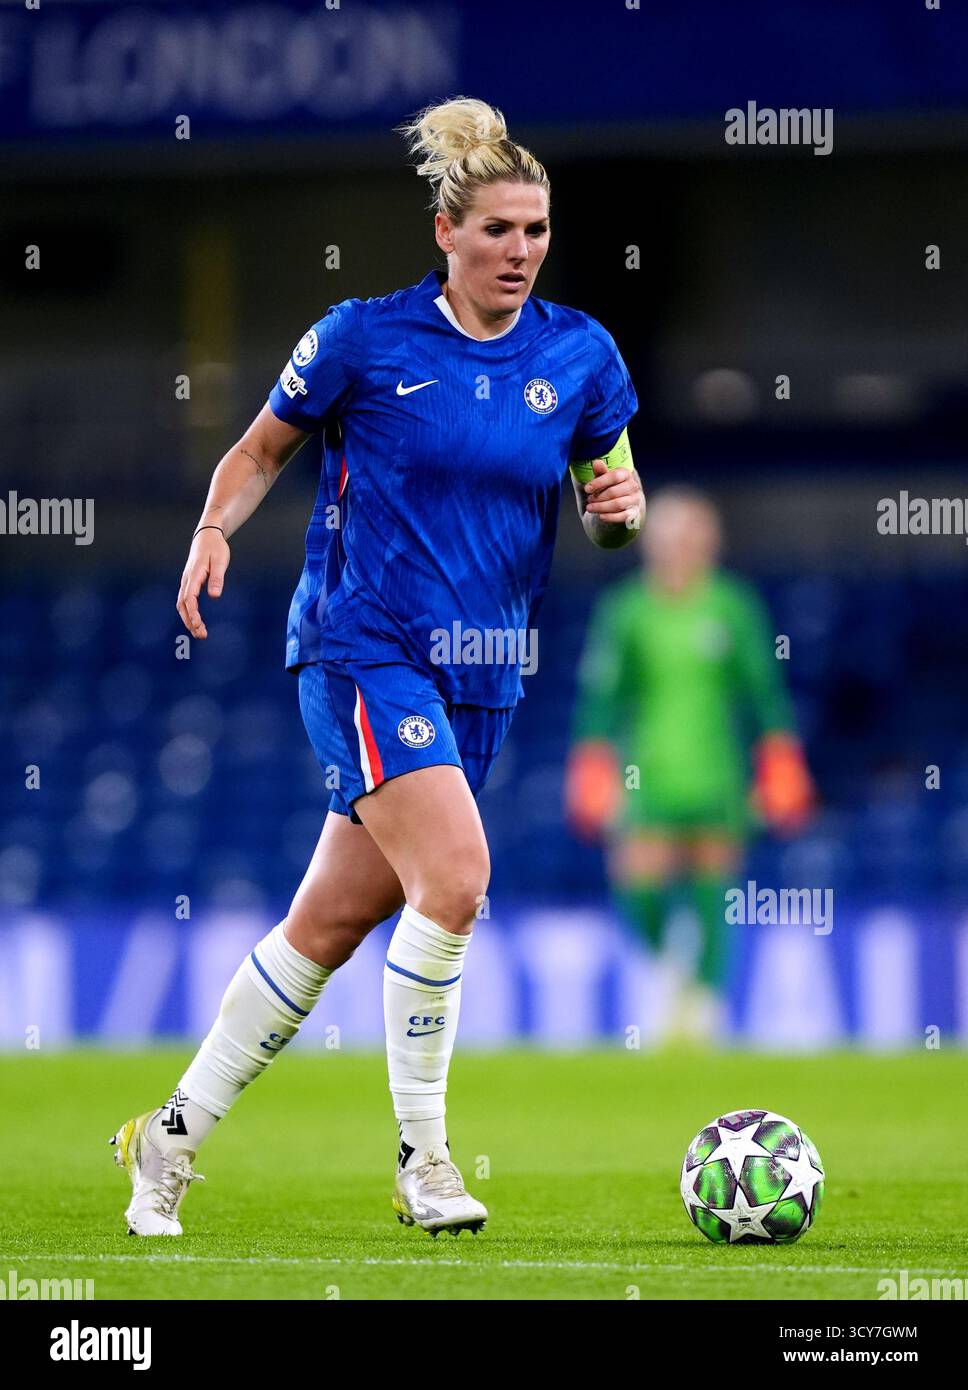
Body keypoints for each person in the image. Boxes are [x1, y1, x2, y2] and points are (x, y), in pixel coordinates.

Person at [111, 96, 643, 1238]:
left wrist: (619, 512)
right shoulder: (363, 337)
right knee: (454, 877)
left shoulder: (582, 355)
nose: (519, 251)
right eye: (497, 230)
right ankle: (425, 1161)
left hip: (484, 668)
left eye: (536, 230)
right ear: (444, 231)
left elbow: (608, 511)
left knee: (329, 925)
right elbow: (260, 452)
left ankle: (171, 1135)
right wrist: (212, 530)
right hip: (361, 647)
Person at [566, 486, 815, 1042]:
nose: (680, 544)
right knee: (640, 883)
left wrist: (781, 762)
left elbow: (763, 694)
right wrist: (592, 769)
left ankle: (705, 1007)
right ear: (648, 541)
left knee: (714, 887)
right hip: (648, 774)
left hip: (716, 773)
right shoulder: (626, 610)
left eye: (692, 533)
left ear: (711, 541)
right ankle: (665, 972)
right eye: (670, 533)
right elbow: (601, 699)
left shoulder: (732, 606)